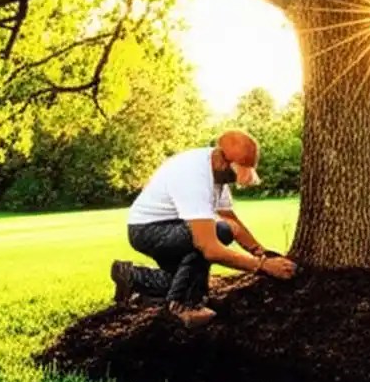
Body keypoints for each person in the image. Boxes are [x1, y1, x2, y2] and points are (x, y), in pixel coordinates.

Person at [110, 129, 297, 328]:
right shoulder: (194, 175)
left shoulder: (217, 173)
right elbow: (209, 247)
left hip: (174, 228)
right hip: (148, 230)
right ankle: (184, 306)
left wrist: (261, 252)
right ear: (223, 161)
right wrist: (262, 266)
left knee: (180, 281)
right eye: (235, 174)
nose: (234, 181)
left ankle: (132, 276)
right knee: (220, 232)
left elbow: (227, 216)